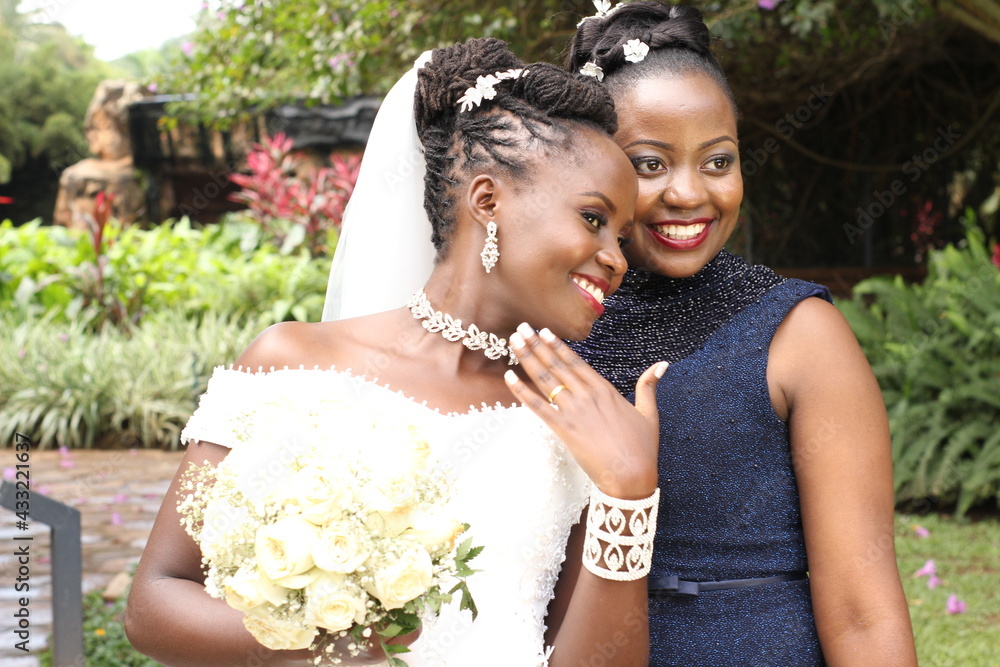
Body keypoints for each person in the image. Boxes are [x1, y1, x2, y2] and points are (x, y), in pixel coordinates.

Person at [126, 37, 669, 666]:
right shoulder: (293, 364)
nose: (616, 259)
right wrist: (335, 641)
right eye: (595, 219)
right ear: (487, 200)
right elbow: (155, 603)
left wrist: (630, 491)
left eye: (624, 238)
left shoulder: (577, 420)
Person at [564, 2, 918, 665]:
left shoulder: (798, 334)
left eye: (718, 161)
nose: (689, 193)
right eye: (649, 164)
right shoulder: (545, 328)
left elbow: (864, 613)